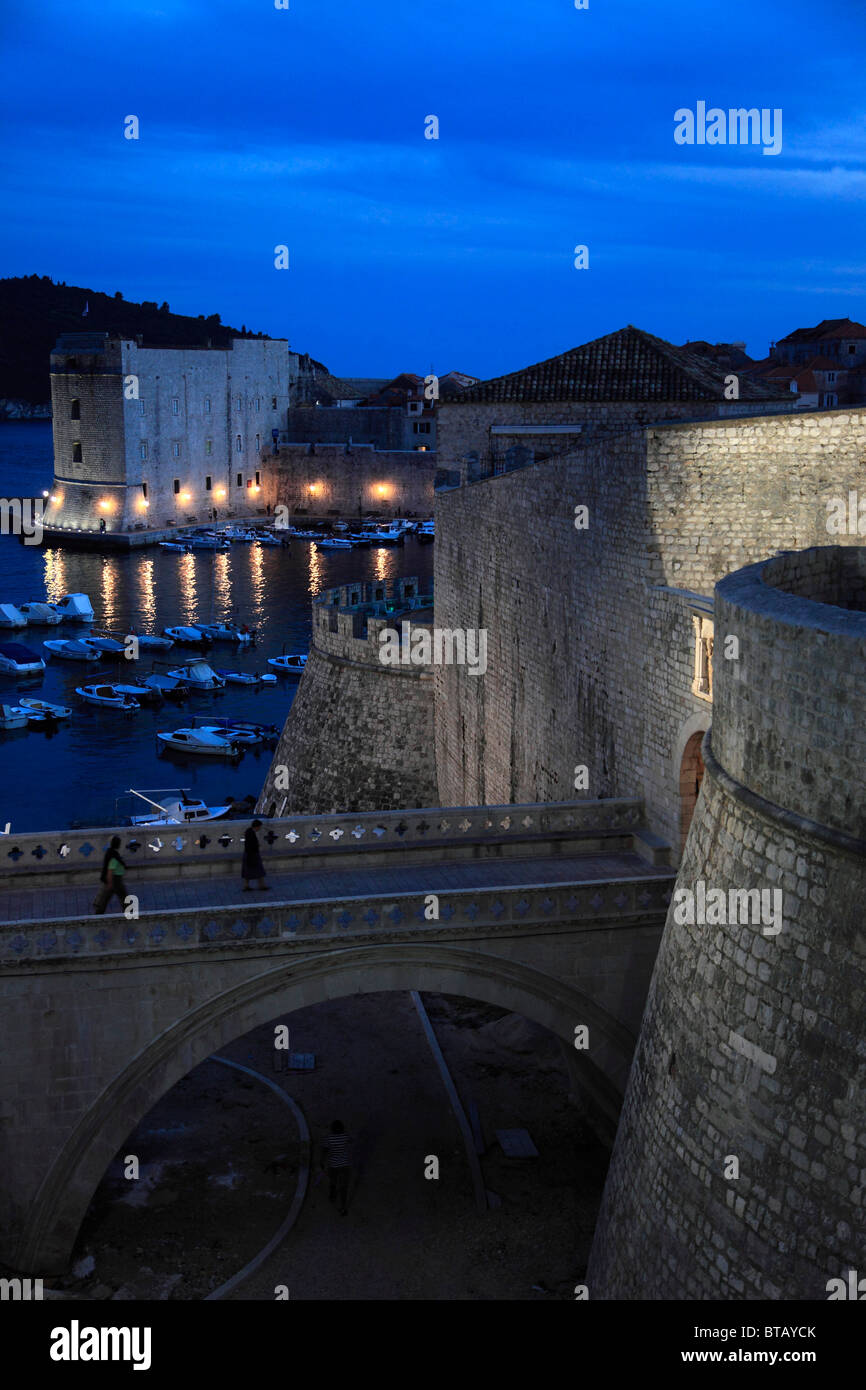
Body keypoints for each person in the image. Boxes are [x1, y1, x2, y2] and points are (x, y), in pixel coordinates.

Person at [320, 1120, 352, 1215]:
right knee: (344, 1187)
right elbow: (351, 1140)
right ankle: (343, 1207)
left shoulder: (329, 1138)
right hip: (345, 1165)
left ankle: (333, 1196)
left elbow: (325, 1150)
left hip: (333, 1165)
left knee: (333, 1182)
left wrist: (321, 1162)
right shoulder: (345, 1136)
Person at [93, 836, 128, 914]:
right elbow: (110, 871)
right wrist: (110, 882)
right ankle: (129, 912)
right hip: (115, 879)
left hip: (115, 879)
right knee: (121, 895)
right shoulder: (114, 857)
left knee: (107, 896)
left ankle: (99, 910)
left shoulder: (110, 853)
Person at [241, 818, 268, 891]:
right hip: (252, 854)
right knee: (259, 870)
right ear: (257, 826)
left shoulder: (248, 831)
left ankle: (247, 886)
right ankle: (261, 885)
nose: (259, 828)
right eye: (259, 827)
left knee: (248, 871)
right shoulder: (250, 833)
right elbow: (251, 845)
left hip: (248, 854)